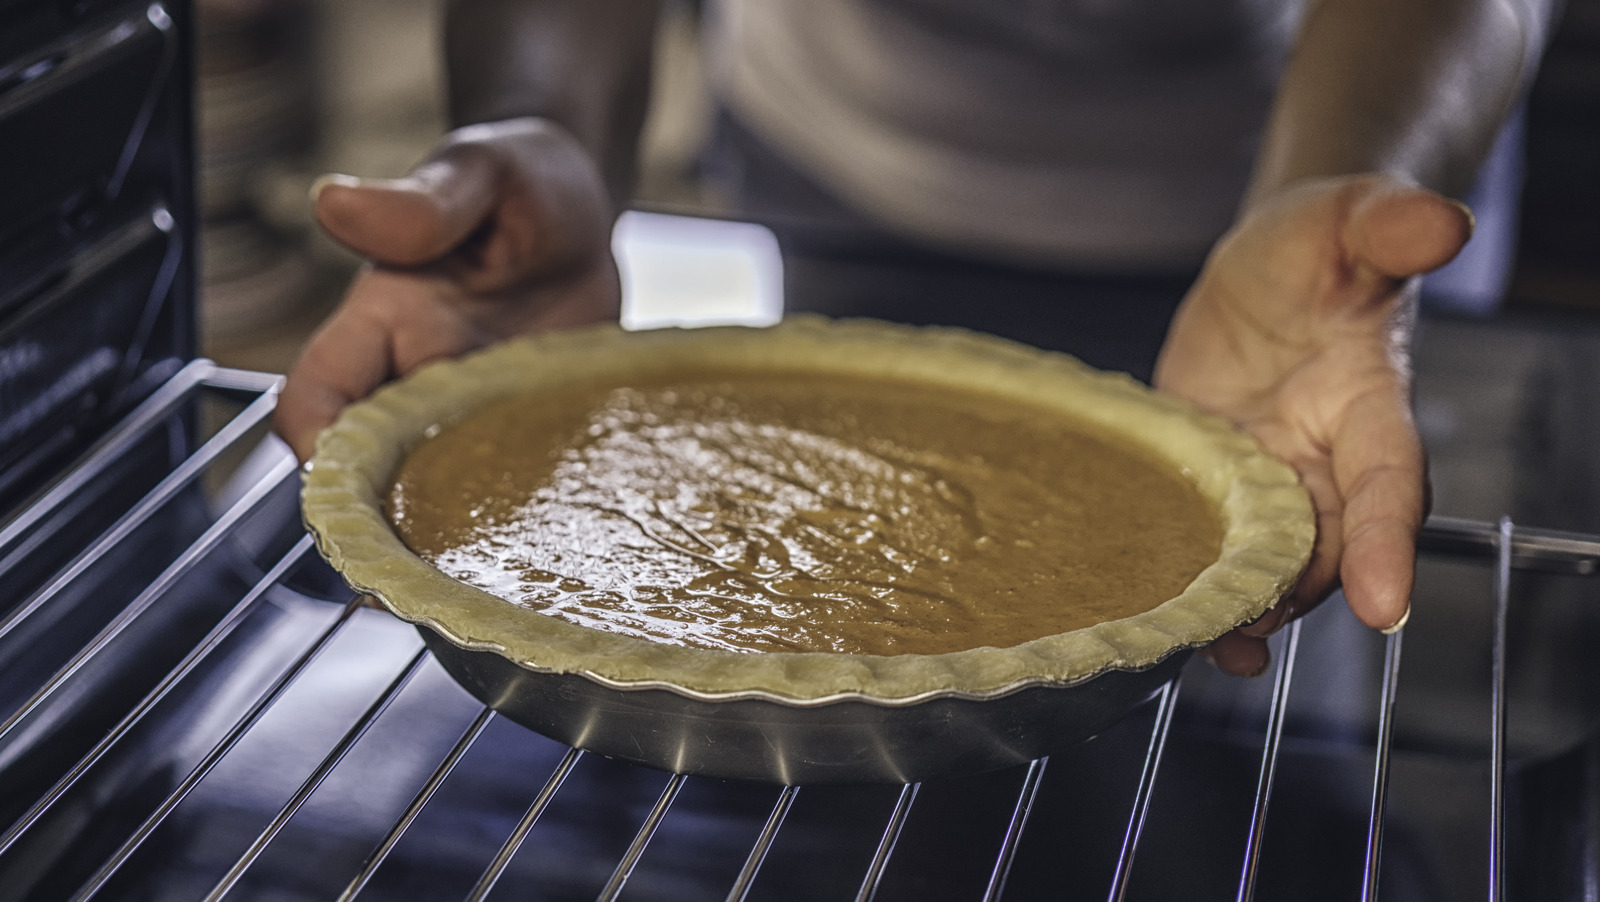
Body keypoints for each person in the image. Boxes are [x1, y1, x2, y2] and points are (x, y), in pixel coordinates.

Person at [274, 0, 1554, 676]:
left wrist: (1338, 179)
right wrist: (539, 117)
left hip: (1300, 184)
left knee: (1284, 677)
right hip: (853, 144)